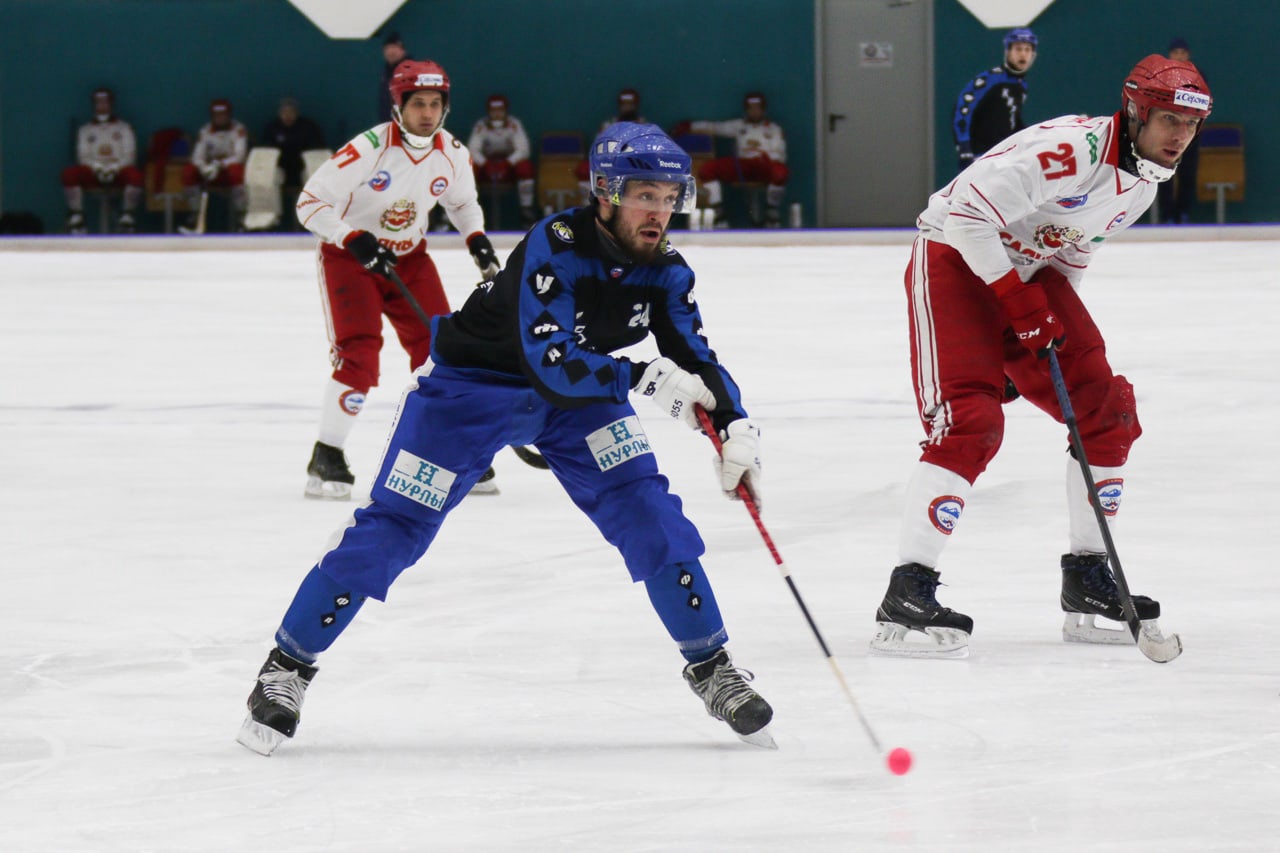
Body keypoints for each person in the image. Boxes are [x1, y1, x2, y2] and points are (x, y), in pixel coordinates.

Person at [236, 121, 774, 756]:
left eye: (669, 197)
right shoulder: (556, 244)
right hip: (469, 393)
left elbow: (695, 352)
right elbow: (550, 360)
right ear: (605, 192)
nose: (659, 213)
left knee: (648, 512)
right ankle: (287, 667)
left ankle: (713, 667)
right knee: (394, 531)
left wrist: (734, 425)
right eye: (644, 196)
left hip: (579, 405)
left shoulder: (667, 272)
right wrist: (641, 378)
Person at [869, 55, 1211, 659]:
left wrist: (1042, 330)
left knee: (1107, 409)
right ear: (1134, 112)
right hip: (953, 258)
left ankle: (1086, 578)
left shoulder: (1142, 182)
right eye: (1168, 120)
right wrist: (1018, 307)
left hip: (1027, 277)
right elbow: (970, 214)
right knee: (970, 423)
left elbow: (1072, 253)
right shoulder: (1070, 151)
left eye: (1190, 124)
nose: (1180, 136)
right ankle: (909, 588)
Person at [294, 59, 502, 501]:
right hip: (351, 260)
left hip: (410, 258)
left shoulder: (453, 152)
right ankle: (326, 453)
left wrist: (478, 242)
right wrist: (351, 237)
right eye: (418, 104)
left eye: (435, 104)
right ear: (399, 105)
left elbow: (463, 203)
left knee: (443, 350)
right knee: (361, 354)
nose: (427, 113)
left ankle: (454, 450)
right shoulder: (368, 149)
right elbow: (310, 204)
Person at [674, 92, 789, 228]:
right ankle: (719, 214)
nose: (754, 111)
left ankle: (772, 213)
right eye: (751, 108)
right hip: (742, 165)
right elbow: (715, 127)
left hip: (764, 165)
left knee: (781, 172)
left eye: (757, 108)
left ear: (763, 109)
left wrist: (765, 155)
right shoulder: (739, 126)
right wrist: (690, 126)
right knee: (708, 169)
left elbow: (780, 154)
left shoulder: (774, 129)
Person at [952, 27, 1037, 172]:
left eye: (1027, 50)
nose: (1023, 54)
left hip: (1005, 158)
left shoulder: (1021, 86)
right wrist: (964, 147)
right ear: (1007, 51)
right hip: (980, 158)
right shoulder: (990, 79)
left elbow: (1013, 123)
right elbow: (963, 110)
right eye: (1018, 49)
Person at [60, 87, 144, 234]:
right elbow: (83, 156)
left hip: (118, 171)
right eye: (98, 102)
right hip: (93, 172)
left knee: (135, 175)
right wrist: (97, 168)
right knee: (69, 174)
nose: (102, 106)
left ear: (111, 104)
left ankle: (127, 216)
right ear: (94, 105)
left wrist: (114, 168)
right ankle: (77, 216)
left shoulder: (124, 128)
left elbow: (130, 154)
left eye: (105, 102)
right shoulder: (85, 130)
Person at [467, 93, 538, 225]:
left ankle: (526, 209)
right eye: (494, 111)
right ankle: (468, 209)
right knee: (469, 169)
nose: (497, 114)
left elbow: (523, 149)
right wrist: (485, 163)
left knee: (525, 168)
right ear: (489, 111)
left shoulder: (514, 124)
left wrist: (508, 163)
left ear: (505, 111)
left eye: (500, 110)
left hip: (509, 167)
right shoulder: (481, 126)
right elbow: (473, 149)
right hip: (487, 167)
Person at [179, 98, 248, 233]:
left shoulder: (238, 129)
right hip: (209, 171)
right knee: (189, 171)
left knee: (237, 171)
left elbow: (240, 155)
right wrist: (203, 167)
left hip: (227, 171)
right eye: (217, 115)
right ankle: (194, 216)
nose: (220, 118)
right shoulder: (205, 131)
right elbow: (197, 156)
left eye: (223, 115)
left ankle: (241, 218)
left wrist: (220, 164)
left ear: (229, 115)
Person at [1156, 37, 1200, 224]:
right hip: (1166, 133)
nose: (1179, 56)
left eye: (1183, 52)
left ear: (1188, 55)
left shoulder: (1197, 77)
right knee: (1164, 172)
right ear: (1170, 54)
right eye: (1176, 52)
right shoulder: (1162, 76)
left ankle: (1183, 213)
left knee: (1188, 173)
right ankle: (1166, 214)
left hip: (1190, 133)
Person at [574, 88, 644, 202]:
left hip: (635, 166)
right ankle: (591, 206)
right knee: (586, 168)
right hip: (610, 164)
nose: (627, 108)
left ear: (635, 105)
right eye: (624, 105)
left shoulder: (645, 126)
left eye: (630, 105)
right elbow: (597, 149)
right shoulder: (608, 125)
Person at [261, 97, 326, 190]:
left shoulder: (308, 127)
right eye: (284, 112)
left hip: (302, 165)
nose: (288, 116)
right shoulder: (272, 128)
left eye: (291, 112)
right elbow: (266, 151)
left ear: (297, 113)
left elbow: (317, 148)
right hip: (281, 165)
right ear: (280, 113)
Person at [377, 31, 409, 122]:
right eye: (387, 48)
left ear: (403, 51)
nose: (391, 52)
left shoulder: (411, 71)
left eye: (394, 48)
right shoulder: (385, 73)